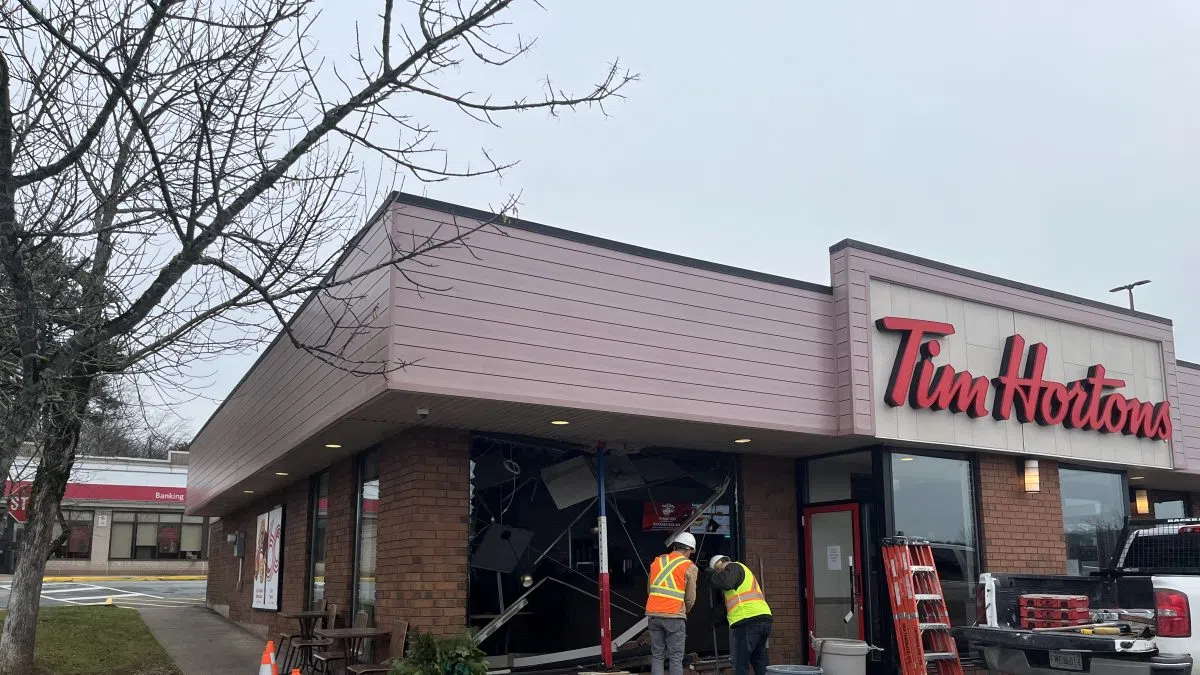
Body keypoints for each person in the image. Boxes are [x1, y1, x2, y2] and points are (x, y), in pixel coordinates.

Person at [708, 554, 772, 675]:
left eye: (717, 569)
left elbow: (725, 582)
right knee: (759, 659)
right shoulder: (739, 574)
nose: (718, 573)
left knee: (740, 662)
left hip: (748, 621)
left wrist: (710, 575)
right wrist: (717, 619)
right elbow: (734, 604)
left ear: (722, 562)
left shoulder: (733, 567)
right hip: (761, 619)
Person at [646, 532, 699, 675]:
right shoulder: (689, 566)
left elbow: (649, 588)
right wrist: (685, 610)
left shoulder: (658, 561)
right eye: (690, 552)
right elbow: (690, 597)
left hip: (654, 614)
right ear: (688, 550)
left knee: (657, 656)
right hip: (674, 616)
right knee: (675, 657)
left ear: (675, 546)